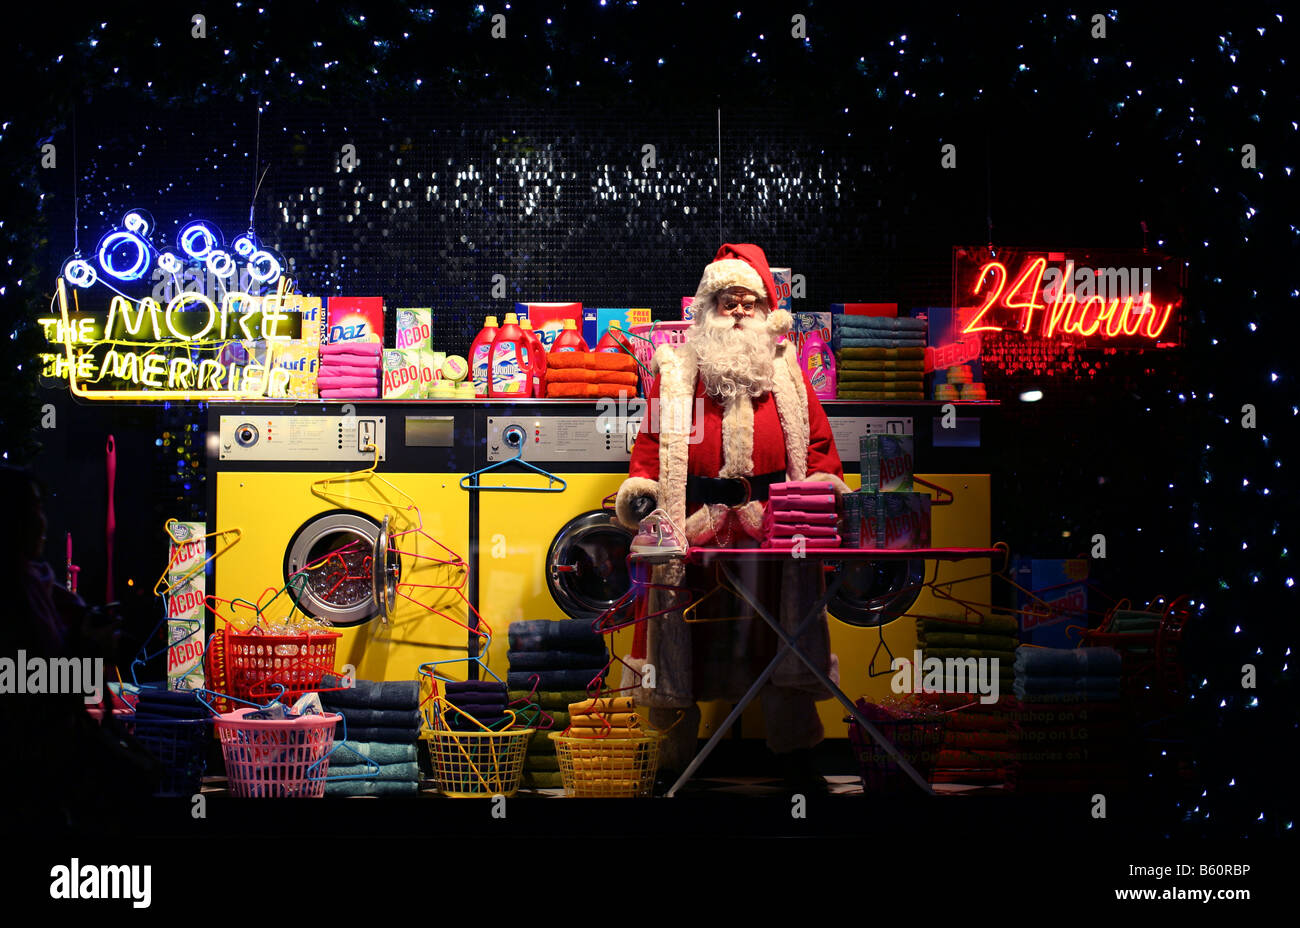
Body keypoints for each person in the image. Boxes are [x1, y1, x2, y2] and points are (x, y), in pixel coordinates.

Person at [615, 244, 849, 792]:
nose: (740, 311)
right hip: (691, 530)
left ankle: (796, 758)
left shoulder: (790, 371)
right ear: (706, 307)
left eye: (750, 301)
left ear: (767, 311)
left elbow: (818, 450)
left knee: (782, 638)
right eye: (728, 300)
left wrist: (822, 493)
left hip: (775, 530)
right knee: (678, 643)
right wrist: (643, 502)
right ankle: (671, 764)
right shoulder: (671, 372)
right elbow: (649, 448)